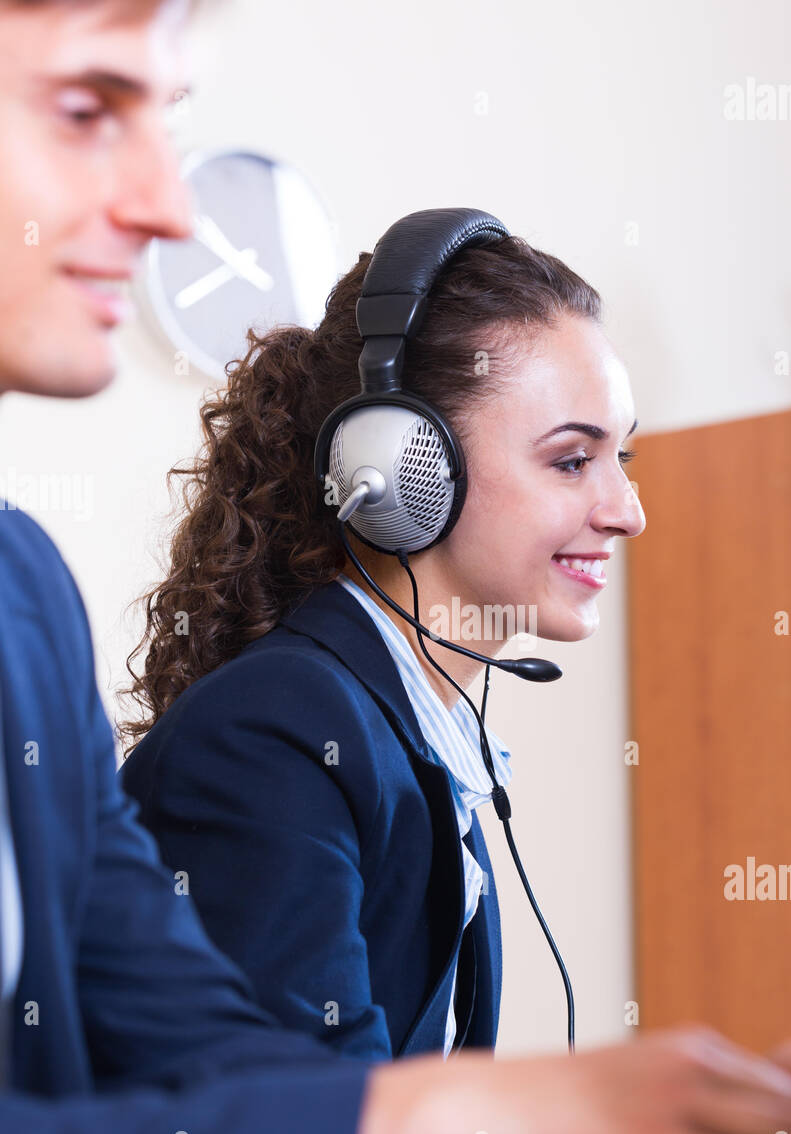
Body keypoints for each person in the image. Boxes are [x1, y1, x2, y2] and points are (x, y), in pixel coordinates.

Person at [0, 0, 791, 1134]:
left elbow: (241, 1098)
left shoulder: (25, 596)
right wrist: (482, 1125)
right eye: (82, 106)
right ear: (399, 470)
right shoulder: (285, 728)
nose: (171, 206)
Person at [117, 226, 643, 1063]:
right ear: (403, 467)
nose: (627, 510)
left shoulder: (406, 737)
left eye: (625, 457)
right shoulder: (275, 734)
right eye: (574, 461)